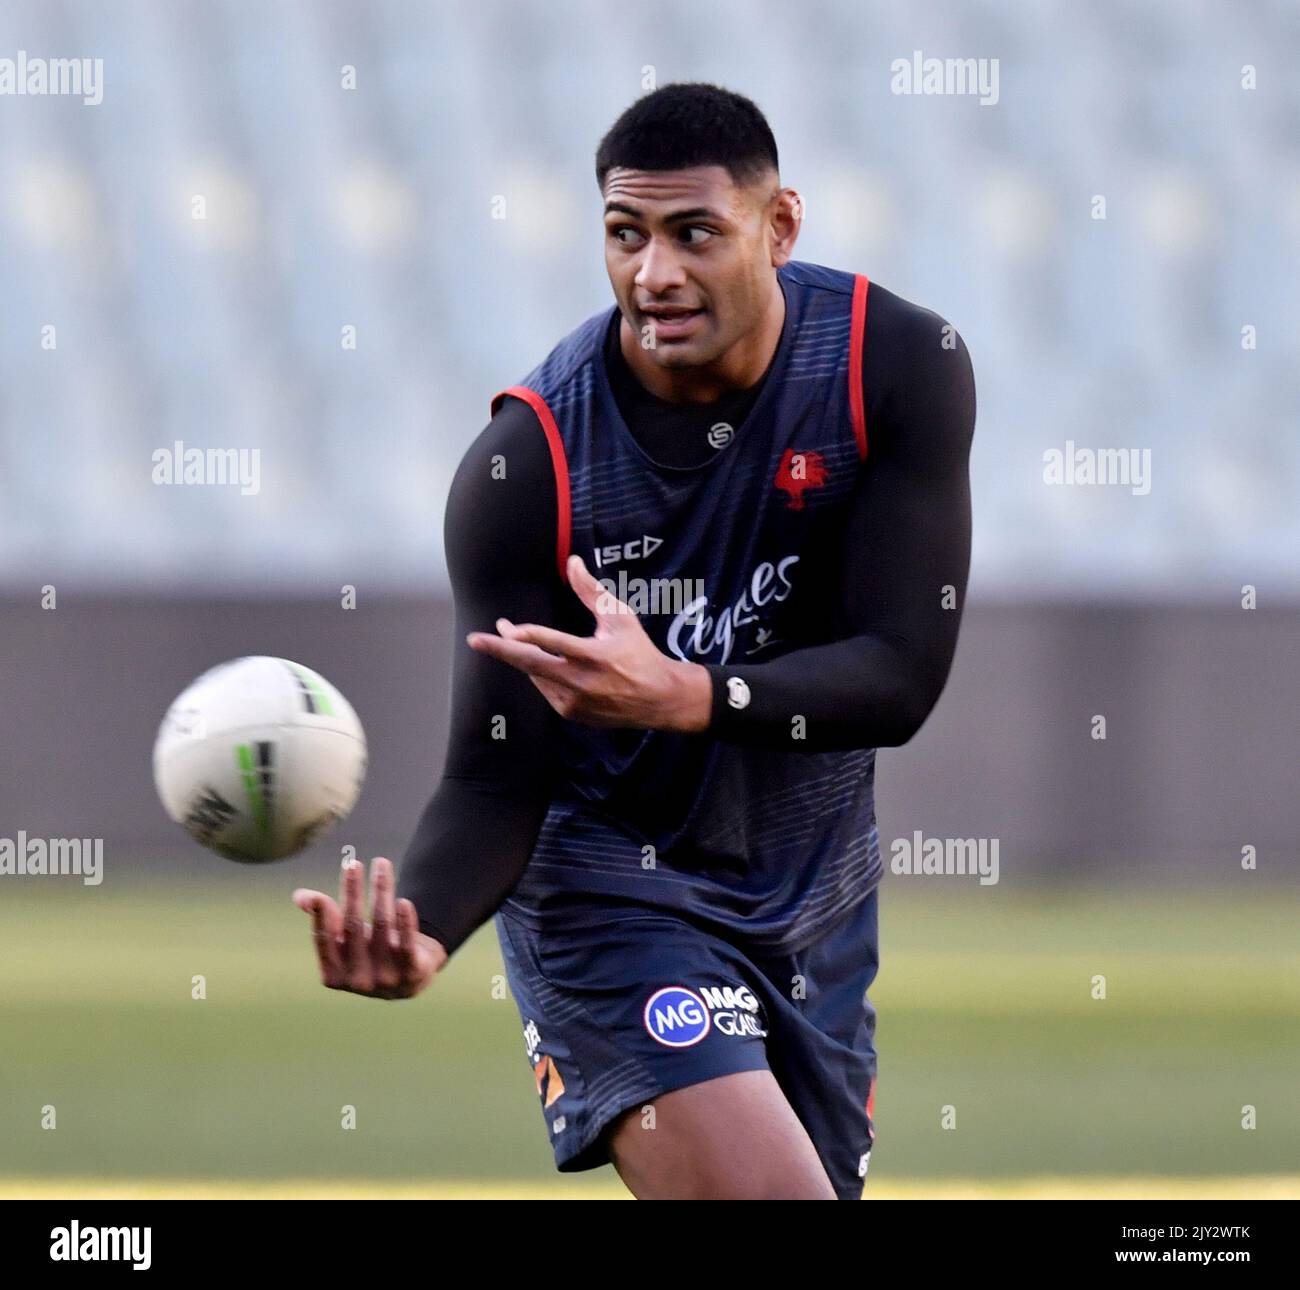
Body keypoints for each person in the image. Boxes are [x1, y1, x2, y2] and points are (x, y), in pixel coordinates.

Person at [294, 82, 975, 1200]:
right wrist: (427, 928)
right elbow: (493, 776)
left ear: (780, 225)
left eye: (693, 233)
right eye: (625, 234)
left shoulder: (890, 367)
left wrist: (689, 695)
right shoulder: (528, 466)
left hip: (812, 893)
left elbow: (900, 677)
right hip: (607, 886)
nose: (652, 274)